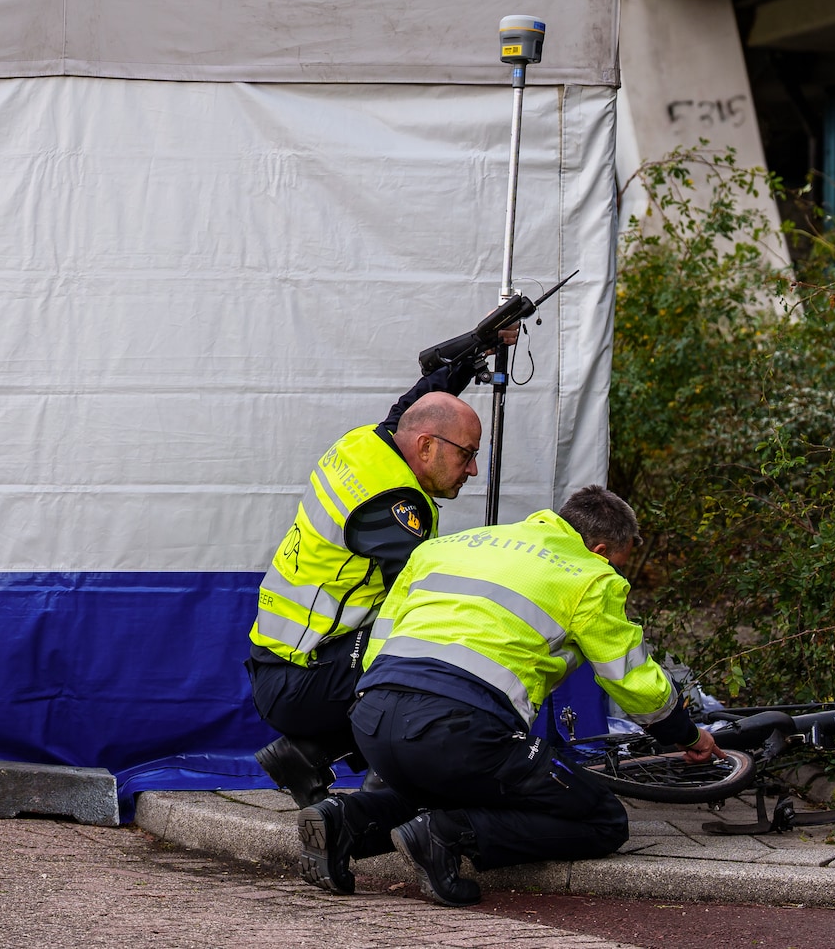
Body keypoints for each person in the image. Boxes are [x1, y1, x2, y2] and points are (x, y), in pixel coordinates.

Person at [295, 485, 725, 904]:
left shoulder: (447, 547)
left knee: (452, 784)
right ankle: (449, 834)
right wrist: (687, 735)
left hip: (373, 714)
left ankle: (342, 820)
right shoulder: (589, 576)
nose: (617, 574)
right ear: (598, 550)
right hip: (458, 726)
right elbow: (630, 678)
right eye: (618, 563)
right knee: (604, 818)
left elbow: (379, 640)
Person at [245, 328, 515, 807]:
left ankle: (305, 755)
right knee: (435, 659)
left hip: (285, 659)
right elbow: (425, 600)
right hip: (302, 680)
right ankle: (385, 796)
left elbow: (416, 406)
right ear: (427, 447)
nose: (472, 470)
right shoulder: (393, 505)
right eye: (467, 455)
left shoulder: (368, 444)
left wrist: (471, 355)